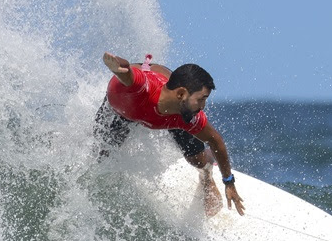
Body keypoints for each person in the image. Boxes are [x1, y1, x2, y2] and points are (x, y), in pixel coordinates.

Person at [95, 52, 244, 216]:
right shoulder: (142, 89)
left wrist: (229, 182)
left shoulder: (185, 115)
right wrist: (118, 65)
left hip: (168, 97)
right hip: (125, 107)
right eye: (201, 99)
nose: (203, 106)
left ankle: (207, 177)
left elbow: (215, 140)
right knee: (101, 155)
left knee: (198, 160)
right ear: (181, 94)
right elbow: (128, 73)